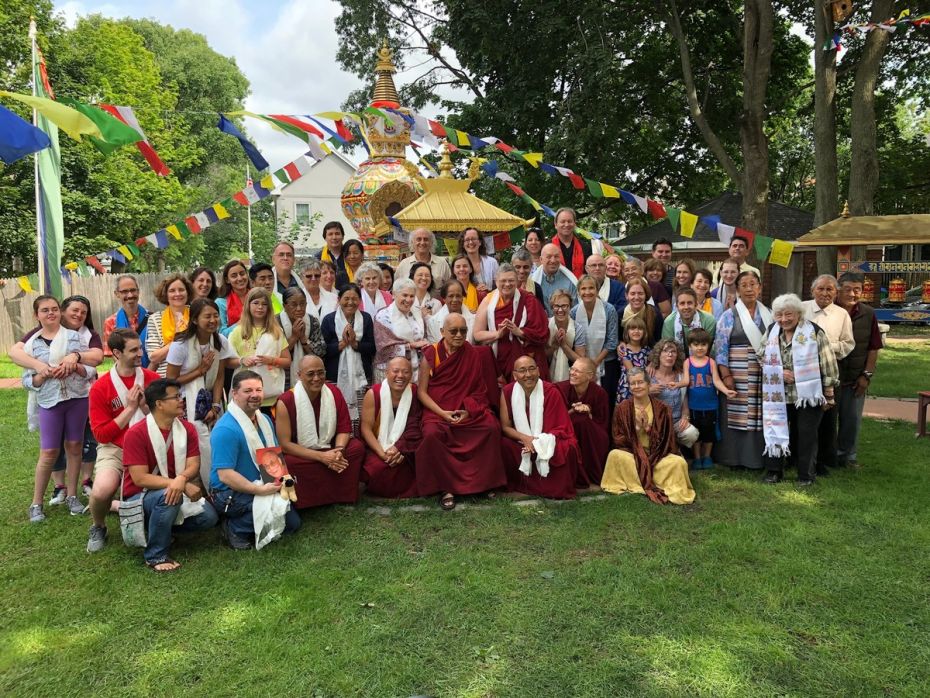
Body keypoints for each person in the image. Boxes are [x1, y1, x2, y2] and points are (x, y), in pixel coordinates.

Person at [13, 294, 104, 502]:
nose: (79, 314)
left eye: (83, 312)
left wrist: (75, 363)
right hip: (49, 400)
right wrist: (41, 370)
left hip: (78, 397)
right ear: (37, 315)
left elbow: (94, 363)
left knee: (78, 444)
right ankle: (45, 496)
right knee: (50, 450)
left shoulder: (78, 336)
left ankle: (77, 490)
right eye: (45, 310)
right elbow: (23, 369)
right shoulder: (34, 341)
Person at [121, 378, 218, 572]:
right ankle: (155, 555)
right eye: (176, 397)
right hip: (140, 496)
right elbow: (140, 478)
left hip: (174, 488)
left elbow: (193, 465)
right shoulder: (136, 433)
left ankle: (159, 528)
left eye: (180, 396)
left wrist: (181, 479)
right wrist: (179, 484)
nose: (181, 400)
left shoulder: (187, 428)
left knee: (209, 517)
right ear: (159, 404)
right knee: (169, 497)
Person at [417, 313, 505, 510]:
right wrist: (442, 413)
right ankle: (446, 488)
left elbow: (479, 390)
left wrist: (468, 411)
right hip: (438, 411)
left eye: (463, 331)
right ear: (442, 332)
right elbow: (422, 393)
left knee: (490, 427)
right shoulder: (431, 354)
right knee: (432, 434)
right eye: (453, 331)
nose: (459, 335)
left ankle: (483, 483)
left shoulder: (471, 353)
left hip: (465, 410)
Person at [86, 329, 159, 552]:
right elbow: (101, 435)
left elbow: (169, 420)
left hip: (152, 444)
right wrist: (130, 409)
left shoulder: (152, 379)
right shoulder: (101, 387)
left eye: (140, 348)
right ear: (117, 353)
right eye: (134, 350)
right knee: (101, 490)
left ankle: (127, 508)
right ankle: (98, 525)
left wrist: (146, 408)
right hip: (115, 447)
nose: (141, 354)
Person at [210, 370, 301, 550]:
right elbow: (225, 475)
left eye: (258, 390)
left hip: (261, 482)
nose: (255, 395)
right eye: (248, 391)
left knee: (293, 524)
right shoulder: (225, 429)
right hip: (228, 492)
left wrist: (283, 481)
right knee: (273, 513)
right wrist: (259, 490)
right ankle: (234, 528)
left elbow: (273, 458)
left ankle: (250, 519)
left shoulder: (265, 419)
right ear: (234, 394)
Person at [758, 294, 839, 486]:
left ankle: (806, 475)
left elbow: (828, 362)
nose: (783, 319)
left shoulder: (814, 332)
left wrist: (829, 393)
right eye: (779, 315)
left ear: (798, 314)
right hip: (778, 393)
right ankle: (774, 471)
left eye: (789, 314)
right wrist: (779, 371)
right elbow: (761, 356)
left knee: (807, 434)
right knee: (774, 428)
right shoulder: (771, 331)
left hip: (807, 394)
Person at [275, 355, 366, 508]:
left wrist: (339, 451)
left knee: (356, 448)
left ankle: (341, 494)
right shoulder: (286, 401)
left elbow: (344, 428)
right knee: (288, 463)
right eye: (310, 374)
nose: (316, 378)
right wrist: (322, 457)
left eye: (320, 373)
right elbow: (285, 445)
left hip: (330, 447)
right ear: (299, 375)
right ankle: (306, 501)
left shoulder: (333, 392)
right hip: (303, 452)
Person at [166, 298, 237, 484]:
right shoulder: (180, 344)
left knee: (215, 441)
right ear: (195, 320)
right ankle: (200, 483)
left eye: (216, 315)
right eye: (207, 316)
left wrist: (215, 405)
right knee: (194, 445)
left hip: (212, 400)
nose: (213, 320)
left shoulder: (220, 341)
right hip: (185, 403)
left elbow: (220, 376)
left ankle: (217, 481)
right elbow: (170, 381)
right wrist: (200, 371)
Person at [601, 367, 695, 505]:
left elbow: (668, 440)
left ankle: (641, 479)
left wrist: (648, 429)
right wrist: (637, 429)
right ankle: (654, 480)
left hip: (657, 456)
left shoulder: (662, 409)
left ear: (648, 384)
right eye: (633, 383)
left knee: (678, 462)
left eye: (640, 382)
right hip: (633, 455)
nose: (637, 386)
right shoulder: (622, 408)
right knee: (614, 455)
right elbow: (617, 439)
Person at [713, 270, 773, 470]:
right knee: (736, 414)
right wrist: (726, 375)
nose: (749, 289)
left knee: (760, 413)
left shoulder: (769, 314)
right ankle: (733, 458)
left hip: (763, 373)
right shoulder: (729, 315)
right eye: (744, 285)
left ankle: (758, 457)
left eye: (753, 284)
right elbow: (721, 348)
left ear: (760, 288)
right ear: (737, 290)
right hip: (736, 372)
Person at [500, 355, 580, 499]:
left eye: (531, 369)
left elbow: (561, 428)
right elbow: (505, 427)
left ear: (538, 371)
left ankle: (550, 487)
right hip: (522, 441)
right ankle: (521, 482)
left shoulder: (551, 391)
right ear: (515, 375)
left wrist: (537, 442)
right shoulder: (507, 391)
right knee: (504, 444)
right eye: (522, 371)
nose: (528, 374)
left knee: (567, 447)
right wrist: (526, 439)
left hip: (546, 441)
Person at [802, 274, 854, 475]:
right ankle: (800, 458)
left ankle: (823, 461)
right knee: (804, 415)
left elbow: (848, 343)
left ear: (836, 292)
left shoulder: (842, 314)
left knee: (828, 416)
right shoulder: (802, 309)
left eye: (829, 289)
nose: (825, 293)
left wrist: (826, 347)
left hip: (831, 369)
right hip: (803, 368)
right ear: (812, 291)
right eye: (820, 289)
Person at [835, 271, 882, 469]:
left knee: (851, 420)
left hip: (855, 378)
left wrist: (866, 375)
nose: (852, 294)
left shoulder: (868, 314)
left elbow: (874, 347)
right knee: (825, 421)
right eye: (847, 289)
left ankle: (848, 457)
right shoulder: (828, 311)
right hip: (830, 377)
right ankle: (825, 456)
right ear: (838, 290)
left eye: (857, 290)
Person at [474, 264, 550, 381]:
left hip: (525, 357)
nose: (507, 284)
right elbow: (477, 334)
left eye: (511, 280)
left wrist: (519, 332)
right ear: (496, 281)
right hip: (498, 357)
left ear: (517, 281)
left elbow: (542, 332)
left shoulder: (529, 300)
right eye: (503, 281)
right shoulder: (488, 300)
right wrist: (497, 334)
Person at [359, 357, 422, 498]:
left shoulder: (415, 393)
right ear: (386, 373)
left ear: (411, 375)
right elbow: (366, 429)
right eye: (395, 371)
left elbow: (415, 427)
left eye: (406, 372)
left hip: (406, 446)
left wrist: (398, 448)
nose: (400, 376)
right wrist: (382, 453)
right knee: (378, 468)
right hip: (378, 446)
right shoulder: (373, 394)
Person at [229, 288, 291, 411]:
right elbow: (228, 362)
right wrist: (242, 360)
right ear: (248, 305)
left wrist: (271, 360)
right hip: (245, 396)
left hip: (271, 395)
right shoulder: (237, 331)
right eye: (256, 303)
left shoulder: (276, 331)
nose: (260, 307)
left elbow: (287, 361)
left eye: (264, 304)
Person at [682, 328, 735, 470]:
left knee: (709, 433)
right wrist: (677, 384)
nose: (700, 348)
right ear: (690, 346)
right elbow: (686, 381)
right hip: (694, 406)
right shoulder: (687, 362)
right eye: (696, 344)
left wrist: (726, 391)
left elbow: (716, 381)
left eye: (703, 344)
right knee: (696, 434)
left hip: (711, 405)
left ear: (708, 346)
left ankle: (707, 457)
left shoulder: (711, 362)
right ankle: (697, 458)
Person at [321, 284, 376, 419]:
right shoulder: (329, 320)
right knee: (337, 413)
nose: (350, 302)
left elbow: (372, 348)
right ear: (339, 299)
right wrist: (343, 344)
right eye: (346, 298)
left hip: (361, 376)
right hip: (334, 376)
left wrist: (355, 343)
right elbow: (323, 350)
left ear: (360, 301)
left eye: (354, 299)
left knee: (362, 414)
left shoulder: (366, 318)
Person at [556, 357, 610, 488]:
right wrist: (573, 411)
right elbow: (555, 417)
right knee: (579, 419)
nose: (572, 373)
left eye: (578, 371)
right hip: (565, 429)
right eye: (572, 369)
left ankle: (589, 473)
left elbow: (602, 422)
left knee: (583, 421)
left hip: (591, 432)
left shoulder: (600, 393)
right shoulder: (560, 389)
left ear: (589, 376)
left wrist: (588, 411)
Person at [572, 274, 620, 409]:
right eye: (583, 289)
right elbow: (574, 340)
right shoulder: (574, 312)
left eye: (591, 288)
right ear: (578, 291)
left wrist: (594, 363)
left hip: (606, 363)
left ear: (597, 290)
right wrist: (586, 365)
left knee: (605, 401)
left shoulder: (609, 309)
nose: (587, 292)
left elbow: (612, 341)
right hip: (582, 363)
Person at [373, 278, 429, 383]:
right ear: (394, 295)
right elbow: (383, 349)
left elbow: (424, 337)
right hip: (390, 372)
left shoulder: (417, 313)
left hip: (415, 370)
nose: (408, 300)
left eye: (412, 296)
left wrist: (425, 344)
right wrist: (410, 346)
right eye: (405, 295)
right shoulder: (383, 316)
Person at [648, 339, 699, 451]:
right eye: (665, 351)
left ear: (677, 356)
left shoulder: (681, 376)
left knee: (691, 433)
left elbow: (684, 402)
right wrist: (648, 391)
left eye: (673, 351)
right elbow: (635, 398)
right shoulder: (649, 374)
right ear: (658, 354)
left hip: (675, 421)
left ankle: (674, 446)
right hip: (654, 422)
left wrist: (685, 417)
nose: (670, 354)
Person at [145, 273, 192, 377]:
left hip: (193, 374)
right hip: (165, 379)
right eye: (172, 291)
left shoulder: (196, 314)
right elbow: (154, 357)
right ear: (165, 294)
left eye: (181, 290)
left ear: (188, 292)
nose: (177, 294)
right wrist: (178, 338)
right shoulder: (155, 319)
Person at [279, 286, 325, 392]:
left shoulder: (312, 322)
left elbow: (320, 354)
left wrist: (304, 340)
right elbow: (276, 355)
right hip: (282, 378)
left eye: (302, 304)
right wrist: (294, 337)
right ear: (284, 306)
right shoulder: (276, 323)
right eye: (294, 305)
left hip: (310, 377)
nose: (299, 308)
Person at [102, 274, 149, 356]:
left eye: (133, 290)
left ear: (138, 291)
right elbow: (112, 354)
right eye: (124, 291)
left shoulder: (152, 319)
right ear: (117, 294)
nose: (130, 295)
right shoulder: (110, 323)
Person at [532, 243, 578, 314]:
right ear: (541, 259)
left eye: (556, 256)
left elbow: (575, 310)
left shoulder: (570, 282)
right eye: (549, 257)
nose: (553, 260)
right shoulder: (533, 282)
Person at [616, 316, 651, 402]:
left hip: (642, 384)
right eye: (632, 329)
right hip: (627, 386)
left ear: (644, 332)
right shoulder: (624, 349)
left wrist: (651, 365)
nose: (636, 331)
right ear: (627, 332)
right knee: (626, 409)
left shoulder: (646, 349)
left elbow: (654, 360)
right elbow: (632, 371)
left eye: (640, 329)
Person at [550, 207, 592, 278]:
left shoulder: (585, 248)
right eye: (562, 221)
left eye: (569, 221)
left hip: (579, 284)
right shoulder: (547, 247)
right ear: (556, 224)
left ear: (574, 224)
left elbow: (589, 275)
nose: (566, 225)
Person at [547, 289, 578, 382]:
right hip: (547, 374)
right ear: (552, 307)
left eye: (564, 306)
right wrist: (554, 345)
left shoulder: (578, 328)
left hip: (572, 375)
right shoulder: (545, 325)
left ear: (570, 307)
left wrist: (564, 345)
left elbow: (580, 360)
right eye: (556, 306)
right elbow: (542, 355)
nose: (560, 310)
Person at [429, 279, 474, 344]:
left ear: (462, 297)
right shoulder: (433, 322)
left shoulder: (474, 319)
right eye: (451, 296)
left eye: (458, 296)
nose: (455, 299)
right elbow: (434, 347)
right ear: (444, 298)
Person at [622, 278, 662, 345]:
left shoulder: (655, 313)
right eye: (632, 294)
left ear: (646, 295)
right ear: (626, 296)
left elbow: (658, 341)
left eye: (640, 293)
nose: (636, 297)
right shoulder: (620, 314)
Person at [216, 259, 251, 337]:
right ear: (227, 280)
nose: (240, 278)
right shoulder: (220, 303)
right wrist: (241, 323)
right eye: (234, 276)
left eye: (242, 274)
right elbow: (221, 334)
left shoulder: (257, 296)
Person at [458, 226, 498, 291]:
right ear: (463, 244)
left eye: (473, 239)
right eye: (467, 240)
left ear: (480, 242)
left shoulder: (492, 262)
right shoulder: (458, 264)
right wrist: (474, 290)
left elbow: (498, 286)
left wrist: (488, 290)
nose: (471, 242)